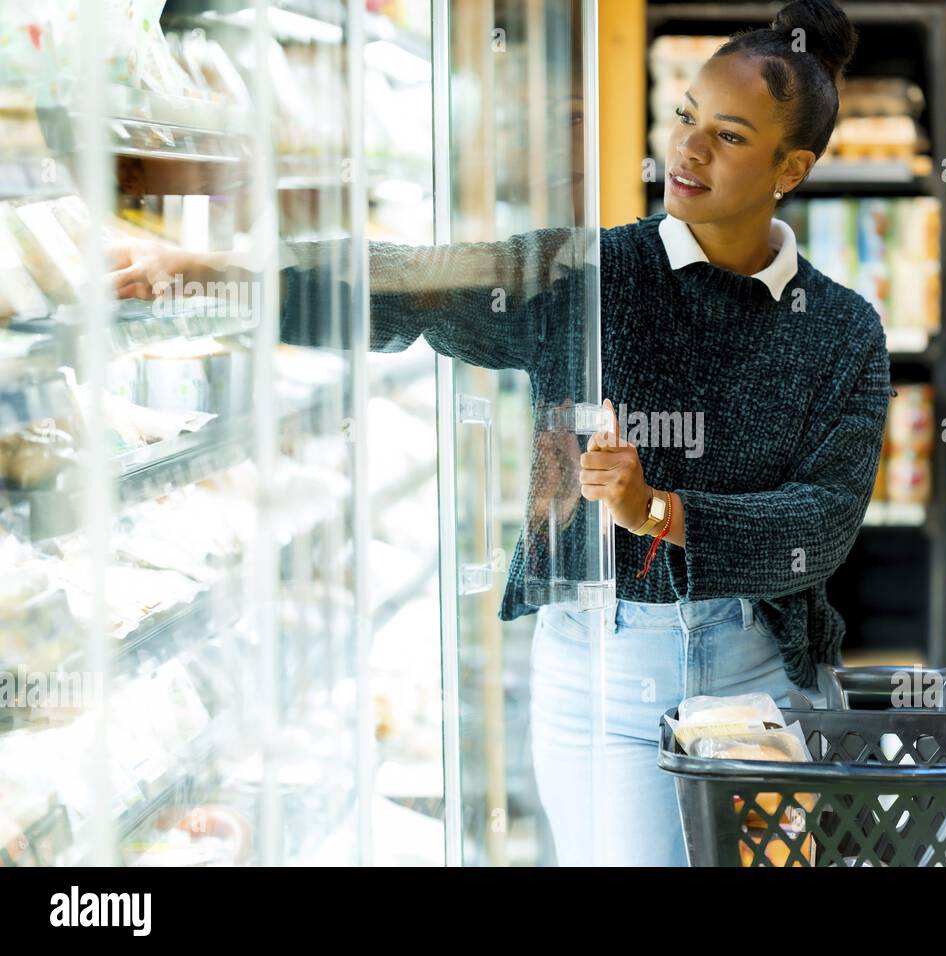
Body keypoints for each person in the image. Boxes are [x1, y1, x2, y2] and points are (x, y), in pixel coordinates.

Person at [108, 0, 890, 868]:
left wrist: (657, 511)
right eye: (685, 117)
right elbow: (416, 282)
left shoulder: (842, 329)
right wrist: (229, 275)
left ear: (793, 165)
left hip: (762, 675)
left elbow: (820, 525)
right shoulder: (590, 272)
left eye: (730, 136)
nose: (689, 150)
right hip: (604, 672)